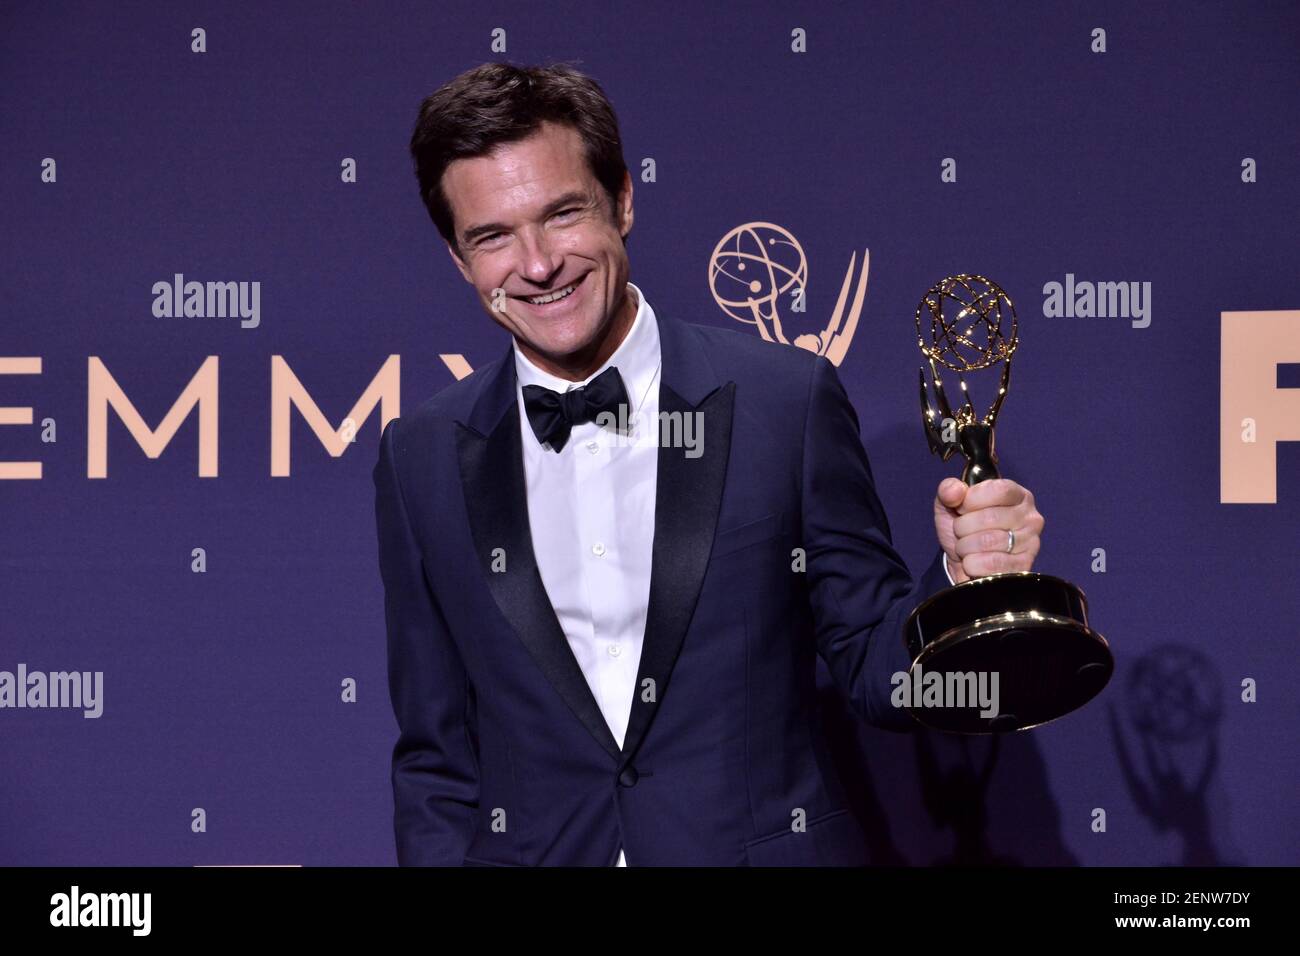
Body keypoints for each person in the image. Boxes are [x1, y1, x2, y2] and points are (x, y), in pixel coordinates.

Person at [374, 61, 1044, 866]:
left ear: (622, 199)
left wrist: (964, 591)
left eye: (561, 215)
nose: (539, 263)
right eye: (492, 237)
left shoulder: (784, 403)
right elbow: (435, 758)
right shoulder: (421, 457)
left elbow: (877, 672)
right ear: (457, 257)